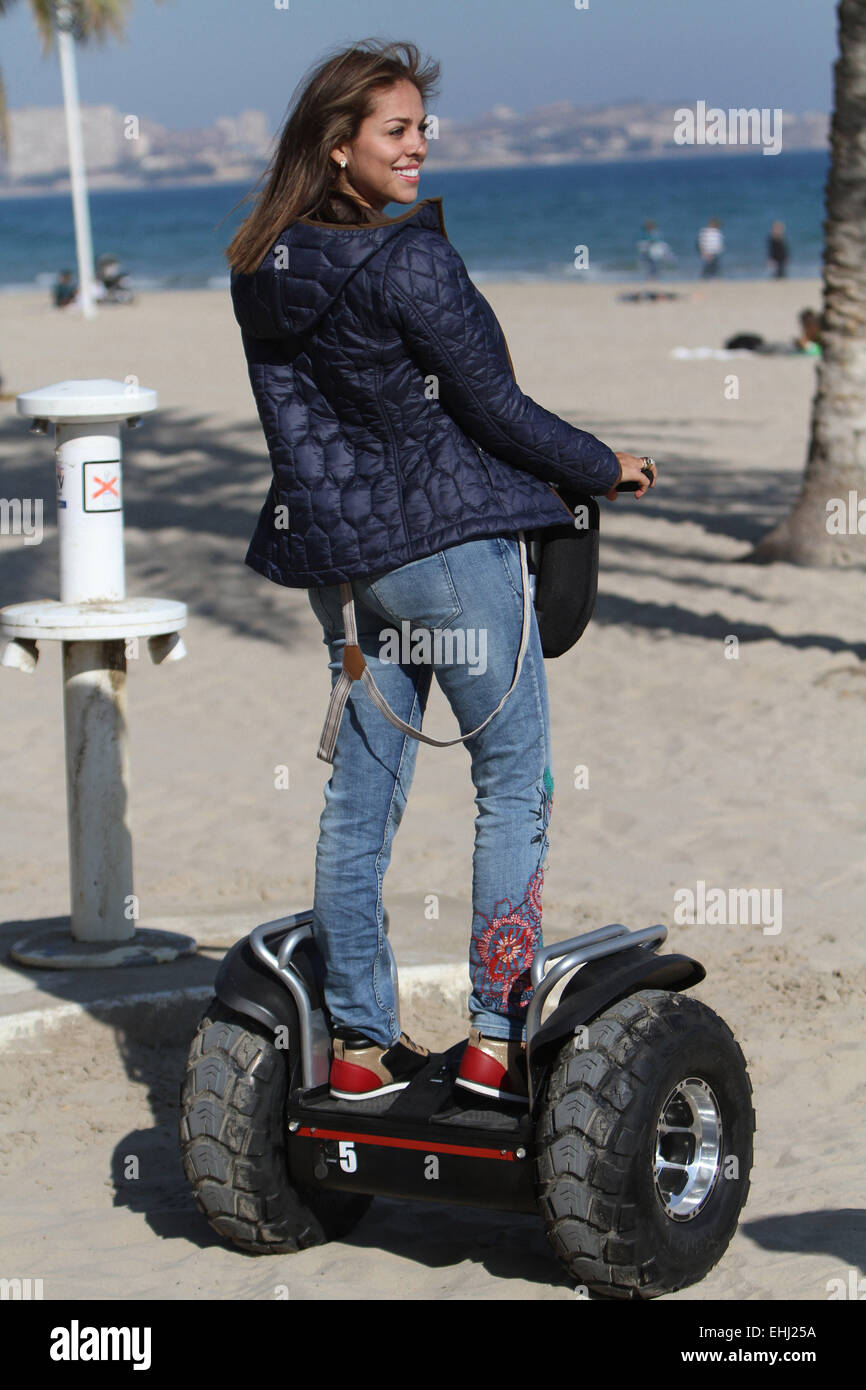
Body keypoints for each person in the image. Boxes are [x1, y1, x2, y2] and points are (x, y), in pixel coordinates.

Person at [226, 39, 656, 1106]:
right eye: (396, 131)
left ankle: (361, 1044)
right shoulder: (407, 260)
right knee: (514, 785)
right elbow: (493, 407)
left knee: (358, 802)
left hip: (349, 572)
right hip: (452, 555)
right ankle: (487, 1041)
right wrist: (605, 465)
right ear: (337, 149)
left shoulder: (262, 268)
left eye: (421, 127)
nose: (420, 146)